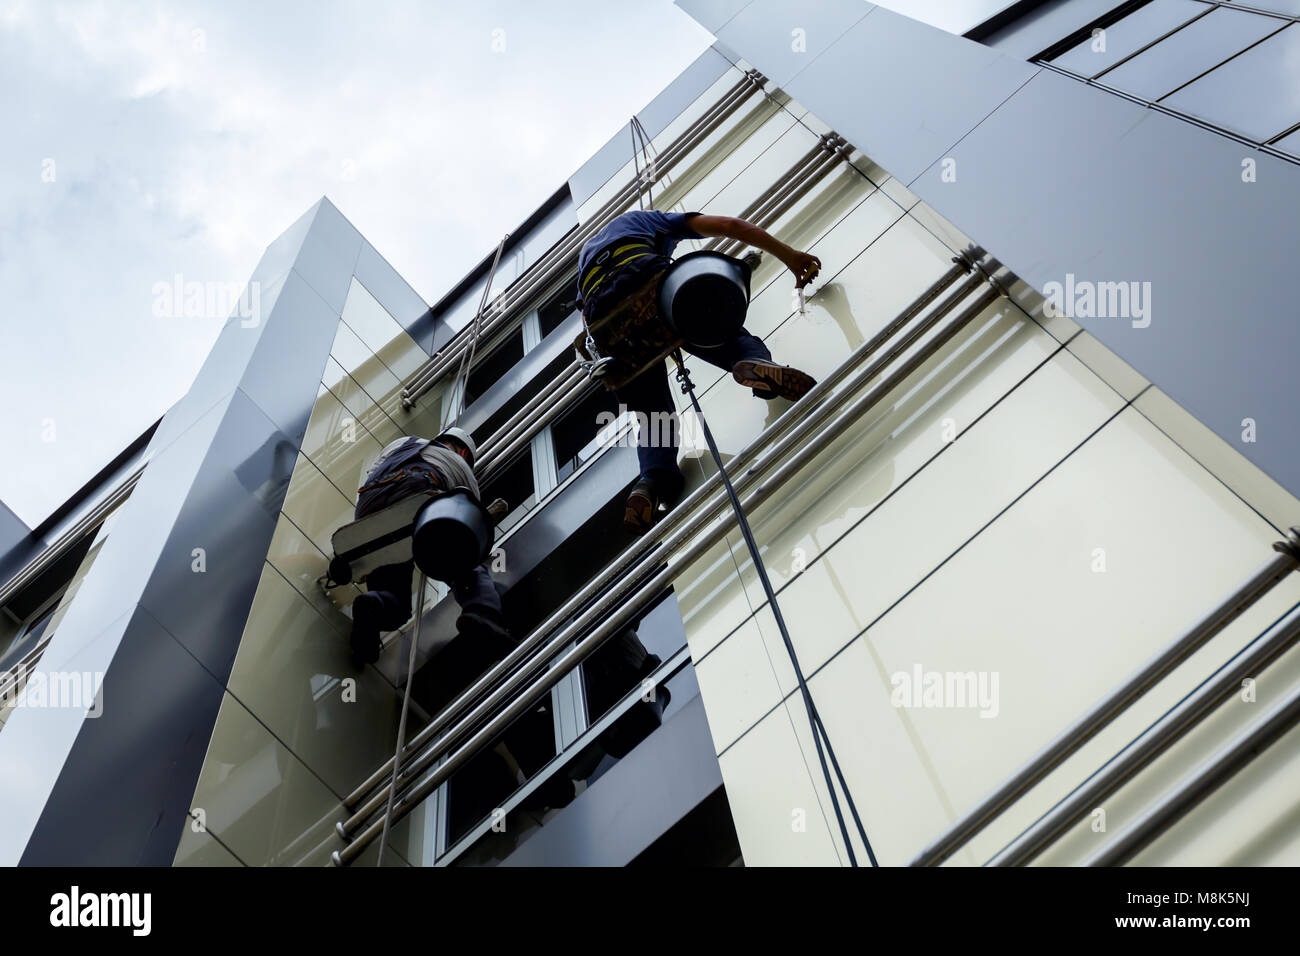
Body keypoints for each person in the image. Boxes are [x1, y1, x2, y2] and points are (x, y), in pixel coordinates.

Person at [575, 210, 821, 533]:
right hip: (647, 280)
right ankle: (753, 363)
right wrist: (790, 256)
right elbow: (730, 225)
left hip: (606, 325)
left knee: (653, 416)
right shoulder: (651, 222)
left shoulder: (585, 256)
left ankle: (650, 482)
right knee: (716, 329)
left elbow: (587, 320)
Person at [348, 427, 507, 668]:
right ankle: (483, 614)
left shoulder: (401, 443)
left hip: (370, 506)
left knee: (397, 603)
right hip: (419, 493)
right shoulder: (458, 463)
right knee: (464, 563)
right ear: (463, 451)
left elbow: (372, 473)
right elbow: (469, 521)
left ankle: (371, 606)